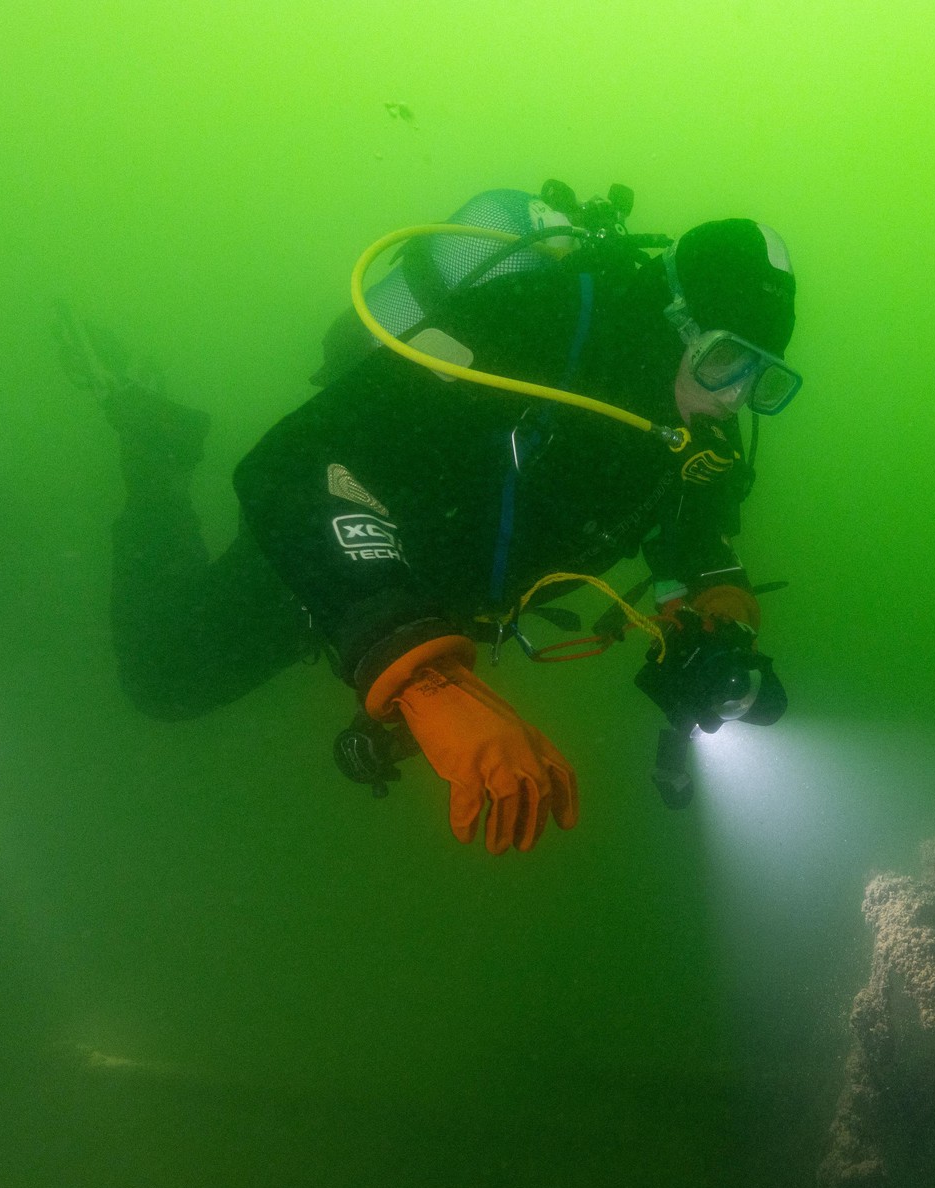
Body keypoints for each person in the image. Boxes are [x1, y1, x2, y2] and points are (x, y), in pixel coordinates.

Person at [66, 182, 800, 854]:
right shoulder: (532, 326)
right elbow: (290, 466)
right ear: (674, 320)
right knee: (163, 678)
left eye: (763, 376)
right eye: (724, 358)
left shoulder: (701, 428)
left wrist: (720, 628)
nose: (734, 397)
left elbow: (696, 540)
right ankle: (157, 449)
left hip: (429, 604)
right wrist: (418, 677)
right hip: (331, 539)